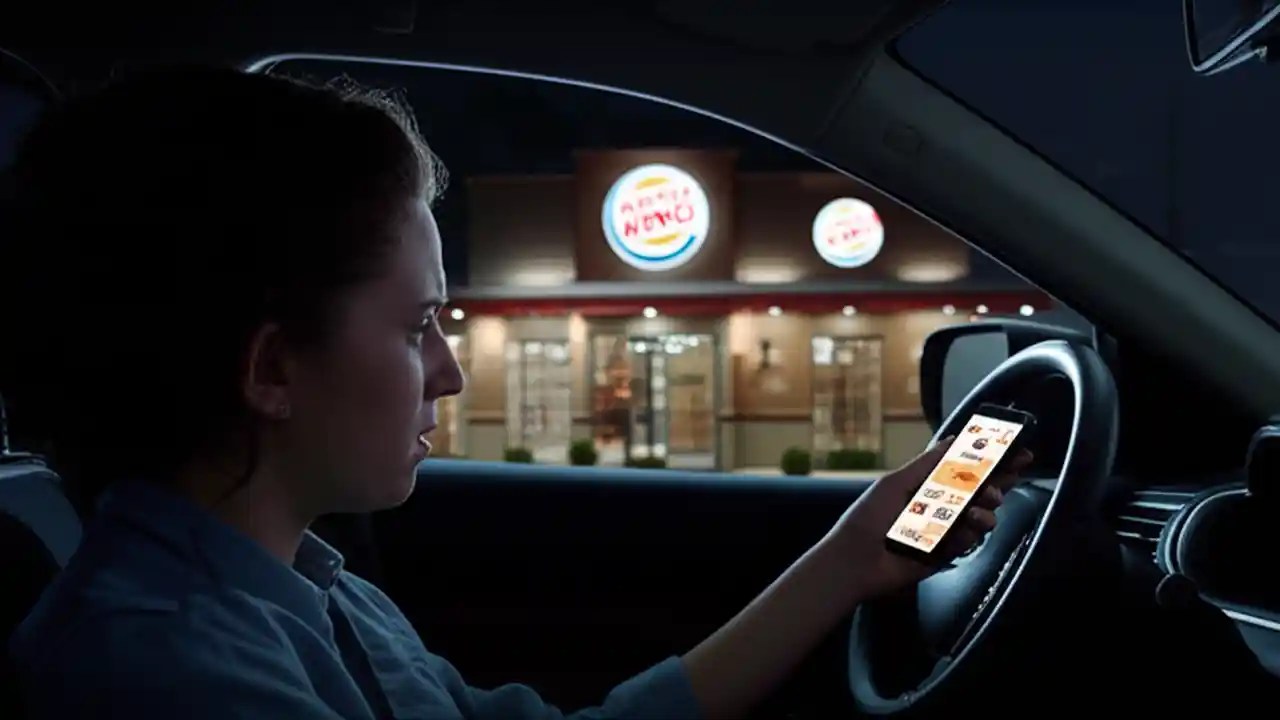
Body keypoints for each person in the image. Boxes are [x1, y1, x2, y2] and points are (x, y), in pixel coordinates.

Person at [0, 66, 1031, 720]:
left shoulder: (315, 590)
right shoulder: (167, 674)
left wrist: (845, 559)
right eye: (415, 328)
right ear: (271, 369)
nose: (447, 371)